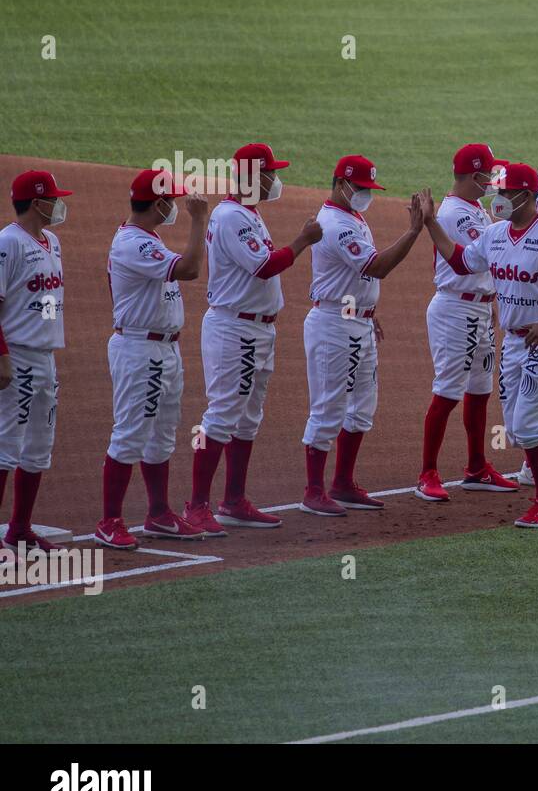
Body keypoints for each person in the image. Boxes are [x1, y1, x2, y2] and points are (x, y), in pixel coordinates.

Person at [424, 163, 538, 528]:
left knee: (530, 427)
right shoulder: (496, 233)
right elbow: (460, 261)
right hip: (515, 342)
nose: (497, 198)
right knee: (517, 431)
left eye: (505, 192)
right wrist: (430, 223)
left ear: (527, 196)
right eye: (497, 191)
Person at [185, 143, 322, 533]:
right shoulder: (232, 217)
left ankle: (233, 500)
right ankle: (197, 506)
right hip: (235, 329)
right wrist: (304, 239)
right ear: (252, 177)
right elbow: (265, 266)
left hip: (256, 328)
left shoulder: (247, 214)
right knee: (222, 415)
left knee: (247, 418)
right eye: (270, 172)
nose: (275, 179)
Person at [299, 155, 429, 516]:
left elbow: (358, 277)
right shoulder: (336, 224)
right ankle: (313, 491)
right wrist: (414, 230)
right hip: (334, 325)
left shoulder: (352, 218)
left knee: (361, 407)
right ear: (340, 183)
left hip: (357, 321)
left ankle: (341, 483)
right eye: (359, 188)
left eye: (369, 188)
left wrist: (369, 311)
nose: (365, 194)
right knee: (328, 408)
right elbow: (378, 267)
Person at [96, 169, 210, 549]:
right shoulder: (133, 243)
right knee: (130, 433)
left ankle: (159, 514)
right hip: (140, 349)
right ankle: (109, 521)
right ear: (157, 203)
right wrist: (199, 221)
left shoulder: (148, 238)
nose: (175, 205)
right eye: (171, 200)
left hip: (163, 349)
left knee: (161, 435)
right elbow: (190, 268)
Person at [417, 143, 516, 502]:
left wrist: (491, 299)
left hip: (478, 307)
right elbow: (474, 258)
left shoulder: (474, 208)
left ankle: (476, 467)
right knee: (447, 390)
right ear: (474, 176)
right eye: (489, 174)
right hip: (455, 310)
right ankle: (427, 473)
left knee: (479, 388)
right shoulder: (454, 214)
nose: (492, 180)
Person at [0, 170, 71, 554]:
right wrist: (3, 356)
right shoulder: (8, 243)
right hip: (17, 356)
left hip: (44, 358)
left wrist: (47, 337)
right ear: (36, 201)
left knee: (39, 446)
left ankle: (20, 530)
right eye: (53, 197)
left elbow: (45, 301)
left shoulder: (52, 242)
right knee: (5, 445)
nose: (59, 204)